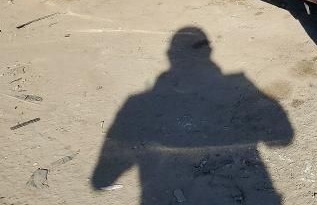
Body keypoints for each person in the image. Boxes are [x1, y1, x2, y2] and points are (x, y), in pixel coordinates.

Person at [91, 27, 293, 204]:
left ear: (170, 54)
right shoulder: (239, 84)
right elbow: (284, 137)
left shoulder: (137, 103)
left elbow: (101, 179)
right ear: (209, 51)